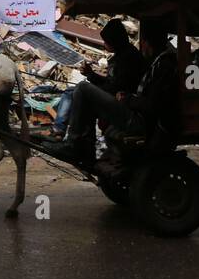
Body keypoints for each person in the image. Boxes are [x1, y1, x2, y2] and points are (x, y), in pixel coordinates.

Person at [45, 21, 178, 169]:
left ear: (147, 43)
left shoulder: (156, 64)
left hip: (138, 120)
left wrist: (127, 99)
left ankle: (74, 145)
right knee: (79, 91)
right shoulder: (153, 62)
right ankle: (84, 148)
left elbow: (151, 103)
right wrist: (93, 77)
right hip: (134, 112)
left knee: (82, 88)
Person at [51, 18, 146, 136]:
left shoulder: (128, 58)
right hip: (114, 97)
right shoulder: (122, 54)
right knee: (73, 91)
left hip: (123, 105)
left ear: (114, 41)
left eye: (106, 42)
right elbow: (111, 82)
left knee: (78, 90)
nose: (104, 44)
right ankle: (71, 135)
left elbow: (115, 87)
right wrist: (91, 74)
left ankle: (62, 132)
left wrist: (92, 80)